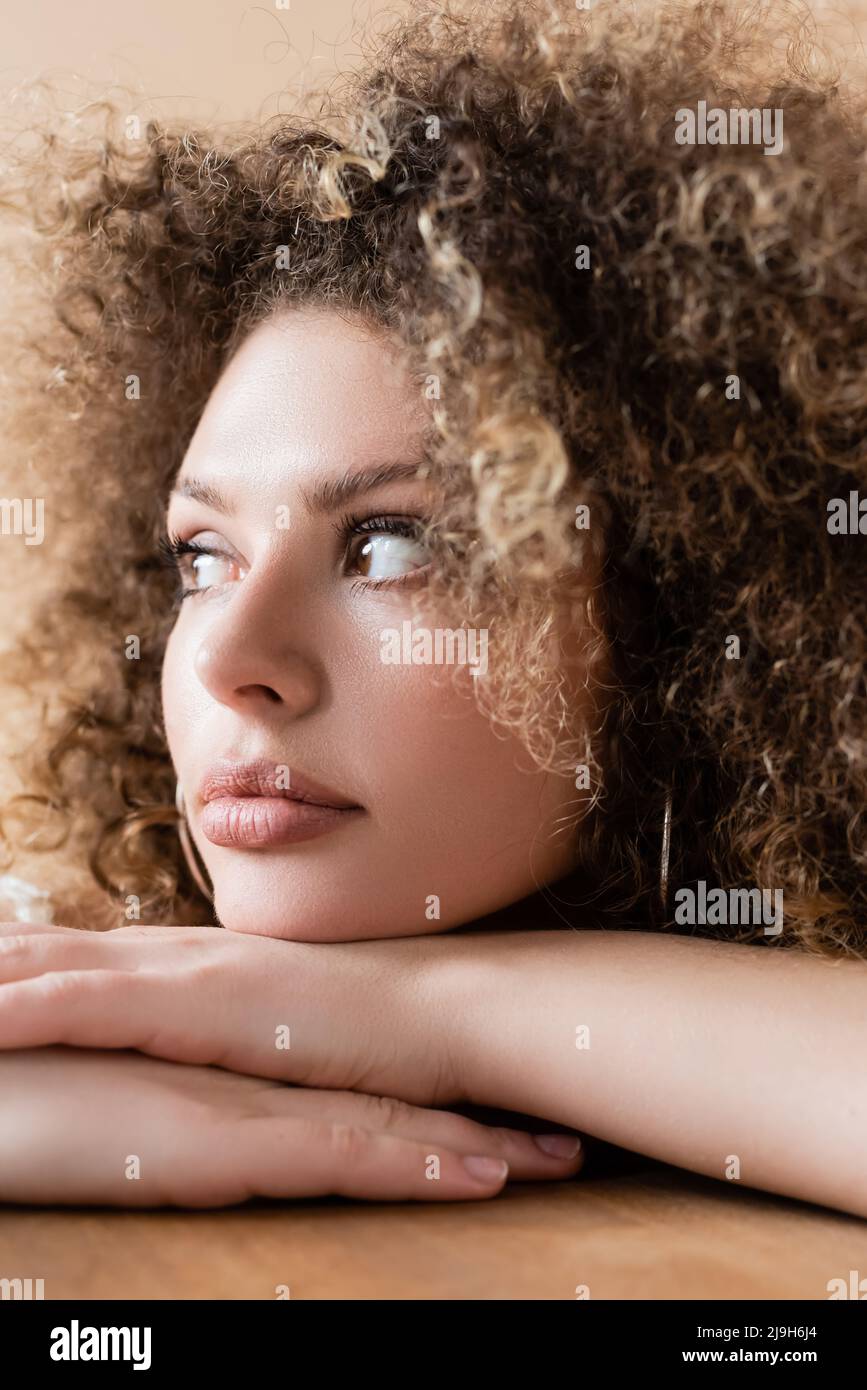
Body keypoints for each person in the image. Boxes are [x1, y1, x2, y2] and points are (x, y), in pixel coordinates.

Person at [1, 0, 865, 1214]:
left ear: (679, 624)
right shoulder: (39, 945)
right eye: (201, 556)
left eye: (392, 541)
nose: (230, 662)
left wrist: (429, 1007)